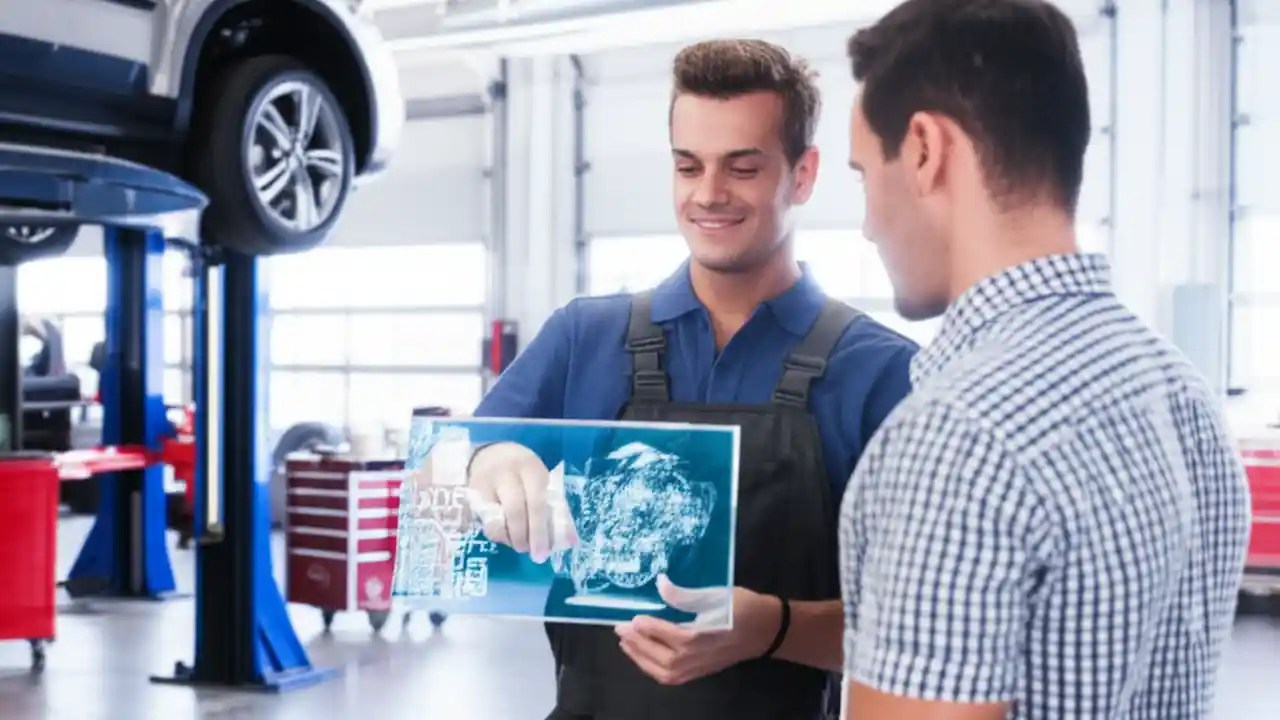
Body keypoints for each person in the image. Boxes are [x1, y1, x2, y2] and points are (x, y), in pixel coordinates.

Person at [465, 39, 917, 720]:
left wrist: (774, 627)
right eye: (688, 166)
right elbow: (438, 490)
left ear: (802, 175)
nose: (708, 195)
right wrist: (487, 460)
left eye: (742, 167)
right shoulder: (583, 337)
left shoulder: (881, 373)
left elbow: (920, 626)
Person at [837, 1, 1253, 718]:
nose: (870, 221)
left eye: (865, 174)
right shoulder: (1179, 393)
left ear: (926, 149)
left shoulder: (957, 438)